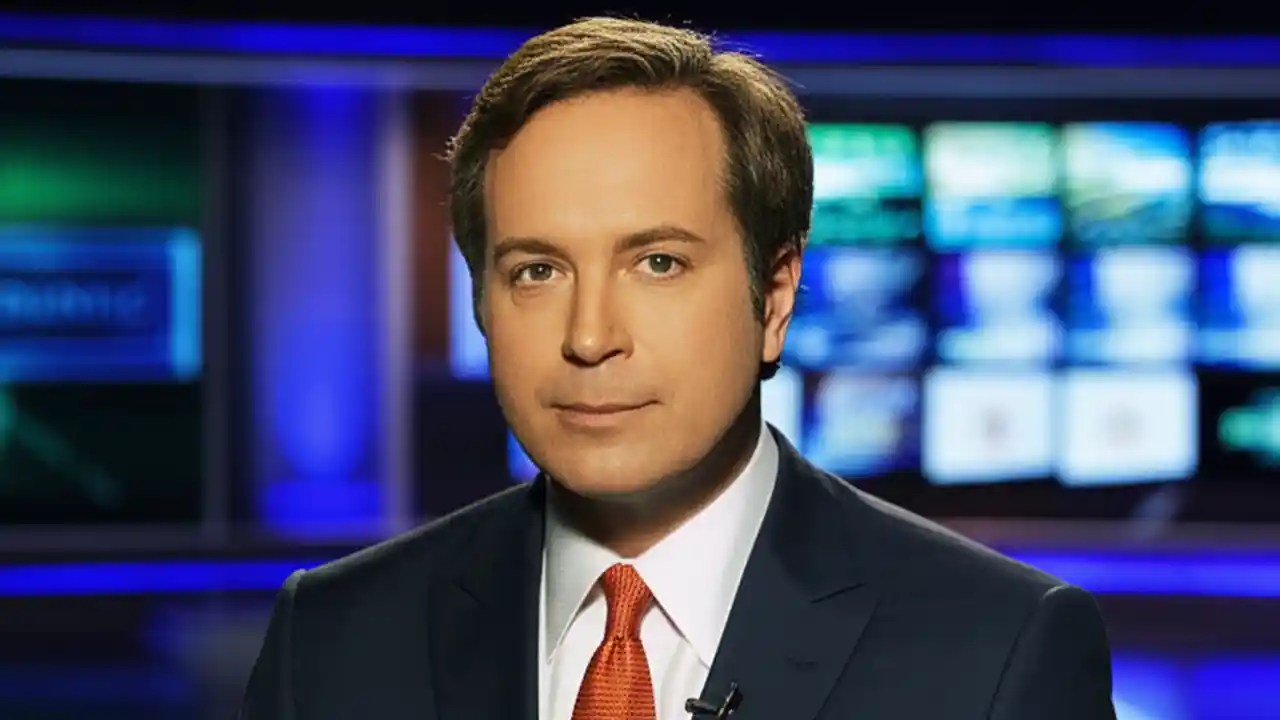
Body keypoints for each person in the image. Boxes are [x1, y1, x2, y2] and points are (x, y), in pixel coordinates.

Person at [240, 16, 1117, 720]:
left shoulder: (999, 651)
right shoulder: (331, 641)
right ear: (482, 304)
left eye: (657, 262)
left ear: (773, 297)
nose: (591, 336)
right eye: (536, 271)